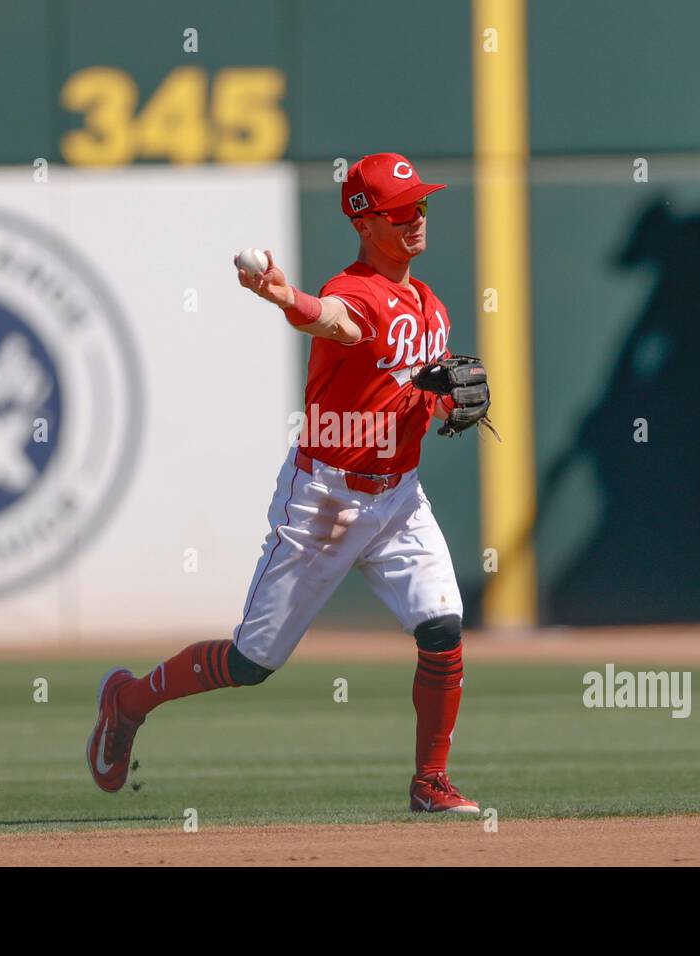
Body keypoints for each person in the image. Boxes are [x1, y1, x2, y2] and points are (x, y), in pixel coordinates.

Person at [87, 153, 485, 813]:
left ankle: (429, 782)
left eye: (420, 205)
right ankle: (128, 699)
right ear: (364, 220)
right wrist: (283, 297)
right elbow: (327, 316)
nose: (415, 219)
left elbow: (416, 396)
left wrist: (446, 402)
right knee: (252, 662)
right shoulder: (356, 291)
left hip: (399, 497)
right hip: (326, 500)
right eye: (398, 210)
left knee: (443, 626)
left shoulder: (431, 306)